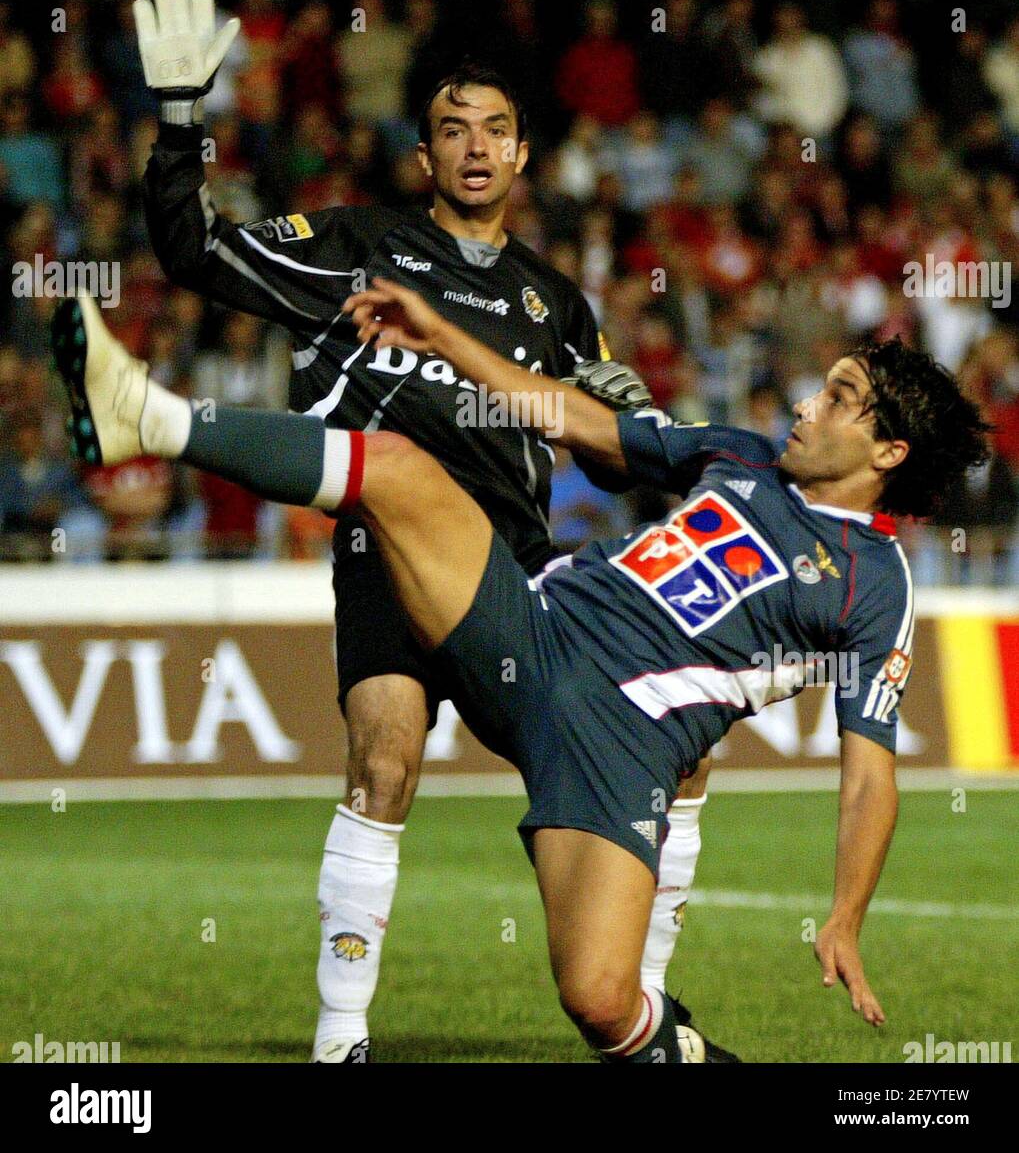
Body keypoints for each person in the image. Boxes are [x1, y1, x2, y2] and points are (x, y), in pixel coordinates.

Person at [52, 280, 991, 1063]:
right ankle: (148, 414)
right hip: (532, 627)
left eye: (835, 398)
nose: (802, 403)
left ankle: (683, 1051)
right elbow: (573, 419)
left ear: (886, 452)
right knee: (401, 468)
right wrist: (445, 338)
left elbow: (869, 766)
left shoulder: (875, 587)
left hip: (617, 744)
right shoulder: (737, 455)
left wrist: (844, 915)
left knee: (598, 1002)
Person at [129, 0, 725, 1063]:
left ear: (525, 155)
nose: (475, 147)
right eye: (451, 130)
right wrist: (179, 121)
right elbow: (191, 252)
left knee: (673, 752)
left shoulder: (554, 303)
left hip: (515, 580)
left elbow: (608, 428)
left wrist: (643, 424)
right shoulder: (356, 248)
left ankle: (643, 1012)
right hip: (386, 555)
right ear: (423, 158)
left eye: (495, 128)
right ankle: (340, 1041)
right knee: (385, 760)